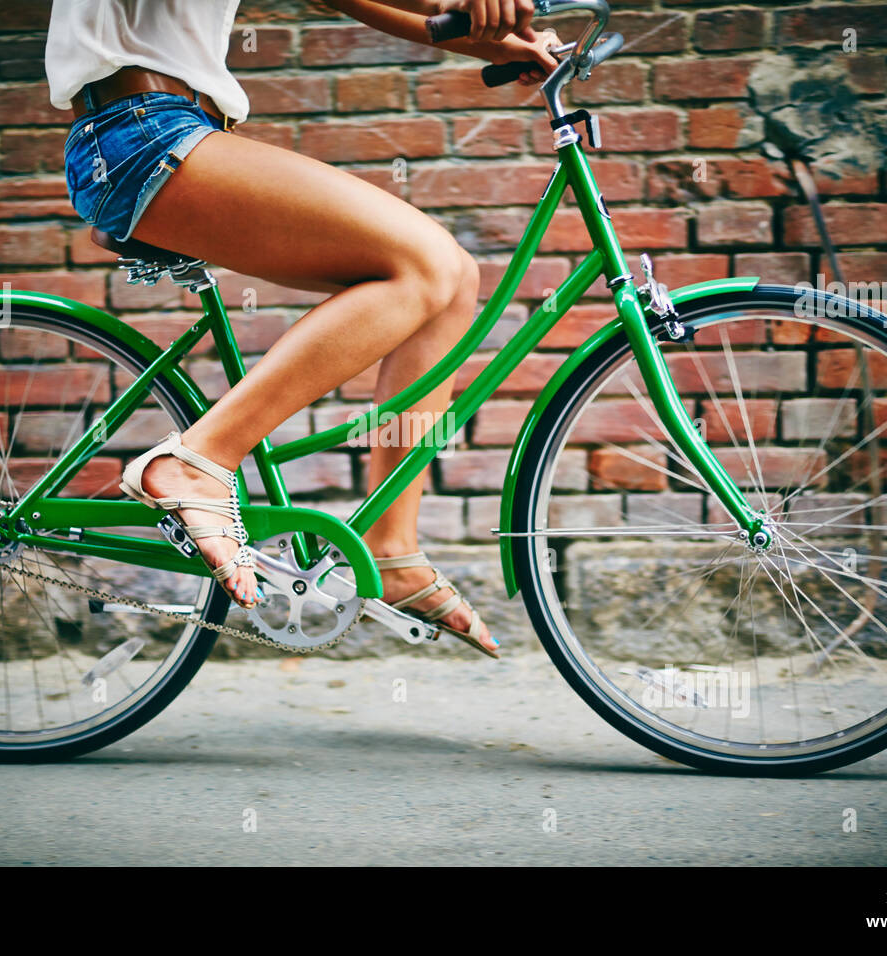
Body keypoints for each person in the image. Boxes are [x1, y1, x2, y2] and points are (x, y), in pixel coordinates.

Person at [46, 0, 558, 658]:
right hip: (141, 131)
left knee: (452, 280)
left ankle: (392, 548)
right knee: (422, 264)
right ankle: (195, 462)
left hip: (175, 128)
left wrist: (479, 36)